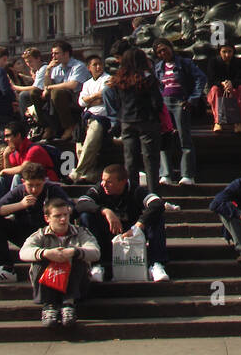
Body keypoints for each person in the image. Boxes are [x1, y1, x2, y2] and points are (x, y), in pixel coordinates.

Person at [0, 162, 73, 284]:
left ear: (44, 181)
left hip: (49, 237)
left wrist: (56, 211)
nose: (34, 190)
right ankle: (5, 268)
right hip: (26, 235)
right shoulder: (19, 191)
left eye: (38, 185)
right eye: (30, 185)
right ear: (23, 182)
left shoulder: (52, 189)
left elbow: (71, 208)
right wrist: (21, 205)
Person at [77, 165, 170, 283]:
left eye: (109, 182)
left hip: (132, 234)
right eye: (103, 180)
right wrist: (105, 211)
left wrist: (138, 226)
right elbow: (81, 203)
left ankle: (156, 264)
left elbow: (157, 203)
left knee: (157, 217)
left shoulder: (136, 190)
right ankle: (96, 265)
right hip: (108, 234)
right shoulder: (99, 189)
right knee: (86, 216)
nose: (104, 184)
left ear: (123, 182)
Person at [20, 197, 101, 328]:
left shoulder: (81, 232)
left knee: (78, 257)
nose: (63, 219)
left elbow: (95, 252)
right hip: (49, 284)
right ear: (47, 218)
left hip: (76, 286)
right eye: (57, 216)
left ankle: (69, 303)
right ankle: (49, 305)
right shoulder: (40, 234)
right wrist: (46, 253)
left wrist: (74, 252)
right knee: (40, 258)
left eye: (65, 215)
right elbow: (23, 252)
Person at [104, 45, 165, 193]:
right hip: (147, 121)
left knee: (130, 161)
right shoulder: (147, 77)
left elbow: (117, 101)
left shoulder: (120, 79)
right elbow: (157, 103)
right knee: (150, 160)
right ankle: (153, 195)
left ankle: (133, 194)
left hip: (127, 121)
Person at [152, 38, 206, 185]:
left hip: (180, 102)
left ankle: (187, 174)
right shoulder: (158, 67)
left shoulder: (184, 63)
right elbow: (156, 85)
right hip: (164, 104)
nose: (163, 53)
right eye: (159, 52)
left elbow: (201, 77)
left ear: (171, 47)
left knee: (184, 138)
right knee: (164, 139)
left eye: (165, 49)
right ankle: (166, 174)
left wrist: (192, 99)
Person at [73, 55, 112, 183]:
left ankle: (77, 173)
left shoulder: (108, 79)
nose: (98, 67)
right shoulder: (87, 84)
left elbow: (103, 97)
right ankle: (88, 175)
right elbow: (81, 102)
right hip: (86, 116)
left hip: (101, 117)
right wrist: (93, 99)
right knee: (79, 143)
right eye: (94, 65)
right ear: (89, 67)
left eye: (100, 64)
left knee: (90, 142)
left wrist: (90, 99)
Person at [206, 43, 241, 134]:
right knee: (215, 90)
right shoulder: (213, 62)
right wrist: (222, 83)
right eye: (224, 52)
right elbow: (211, 79)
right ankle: (218, 122)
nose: (227, 55)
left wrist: (231, 84)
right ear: (220, 52)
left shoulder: (238, 62)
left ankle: (237, 122)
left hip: (233, 88)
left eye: (229, 52)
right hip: (219, 88)